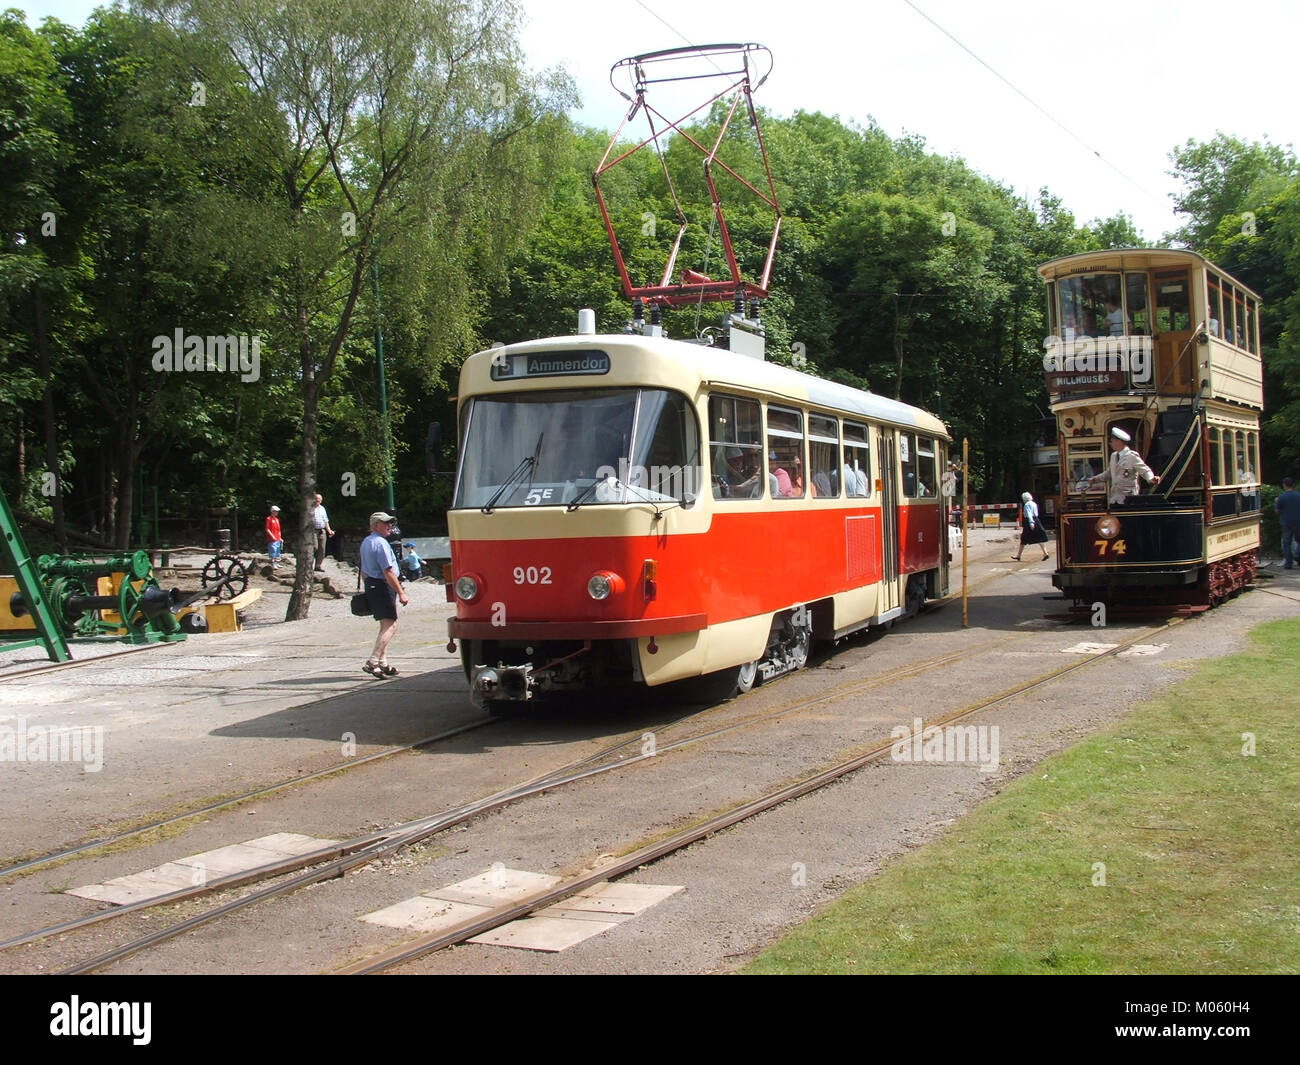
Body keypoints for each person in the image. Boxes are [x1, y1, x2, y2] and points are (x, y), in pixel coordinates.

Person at [360, 511, 408, 677]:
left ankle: (383, 663)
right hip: (382, 585)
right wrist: (401, 592)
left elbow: (363, 571)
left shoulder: (367, 542)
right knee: (392, 625)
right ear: (375, 526)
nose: (389, 526)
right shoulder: (380, 543)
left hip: (372, 584)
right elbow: (388, 571)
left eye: (390, 523)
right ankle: (373, 661)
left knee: (385, 625)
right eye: (385, 523)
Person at [1082, 426, 1160, 505]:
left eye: (1112, 442)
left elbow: (1145, 470)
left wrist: (1151, 478)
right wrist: (1095, 479)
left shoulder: (1132, 456)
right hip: (1114, 498)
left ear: (1118, 442)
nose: (1111, 444)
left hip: (1128, 499)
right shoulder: (1113, 456)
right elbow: (1109, 473)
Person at [1012, 491, 1049, 561]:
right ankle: (1045, 553)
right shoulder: (1034, 503)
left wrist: (1031, 523)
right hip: (1036, 520)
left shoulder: (1026, 505)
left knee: (1023, 538)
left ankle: (1018, 555)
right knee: (1039, 538)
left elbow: (1029, 514)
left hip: (1029, 521)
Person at [1276, 477, 1300, 569]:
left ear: (1284, 485)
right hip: (1298, 522)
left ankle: (1288, 563)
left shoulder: (1281, 497)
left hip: (1286, 522)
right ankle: (1298, 555)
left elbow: (1277, 511)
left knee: (1287, 543)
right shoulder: (1298, 495)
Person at [311, 492, 334, 572]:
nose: (317, 500)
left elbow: (326, 521)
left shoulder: (322, 508)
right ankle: (308, 564)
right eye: (316, 498)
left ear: (321, 500)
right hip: (313, 531)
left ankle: (318, 566)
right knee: (314, 547)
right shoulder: (311, 508)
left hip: (322, 530)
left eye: (319, 499)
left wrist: (329, 531)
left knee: (322, 549)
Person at [265, 505, 283, 571]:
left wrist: (280, 537)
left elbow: (279, 530)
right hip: (272, 539)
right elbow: (267, 529)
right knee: (273, 550)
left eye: (277, 511)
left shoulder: (277, 519)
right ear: (272, 511)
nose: (277, 513)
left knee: (277, 551)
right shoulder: (268, 519)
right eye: (275, 511)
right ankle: (272, 563)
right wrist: (272, 536)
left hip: (277, 538)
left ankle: (276, 563)